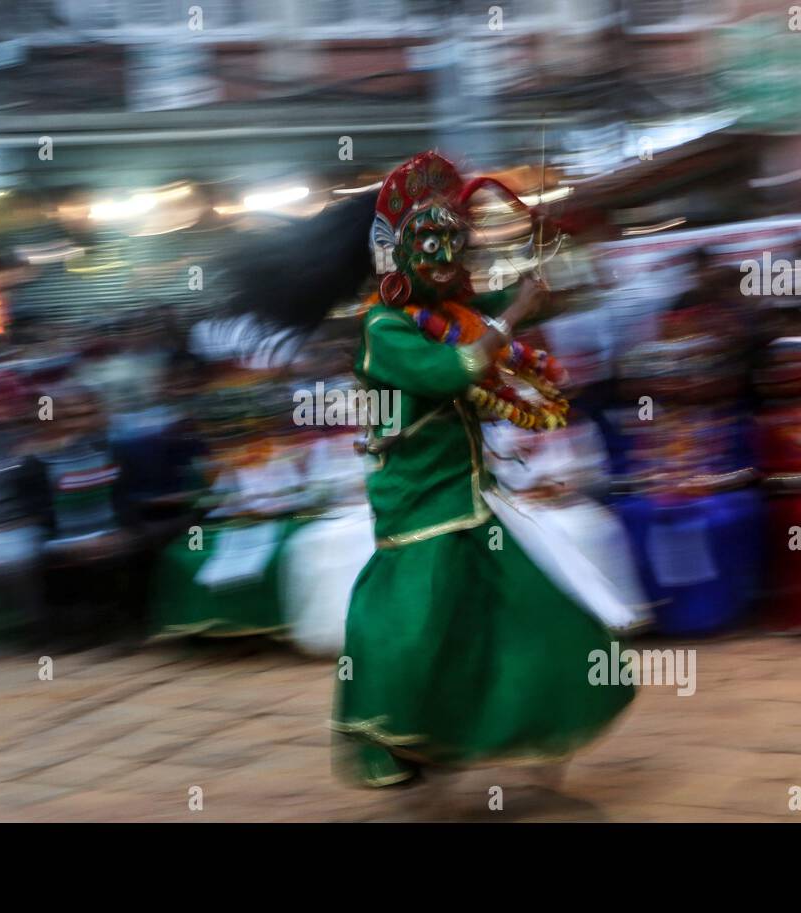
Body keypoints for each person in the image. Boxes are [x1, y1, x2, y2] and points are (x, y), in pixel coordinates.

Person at [230, 151, 637, 796]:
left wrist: (548, 267)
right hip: (419, 501)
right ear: (400, 255)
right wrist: (516, 313)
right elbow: (454, 370)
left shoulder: (447, 315)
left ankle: (525, 722)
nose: (450, 258)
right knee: (414, 624)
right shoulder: (383, 327)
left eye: (457, 243)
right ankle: (406, 732)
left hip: (469, 496)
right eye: (434, 243)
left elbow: (505, 312)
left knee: (520, 610)